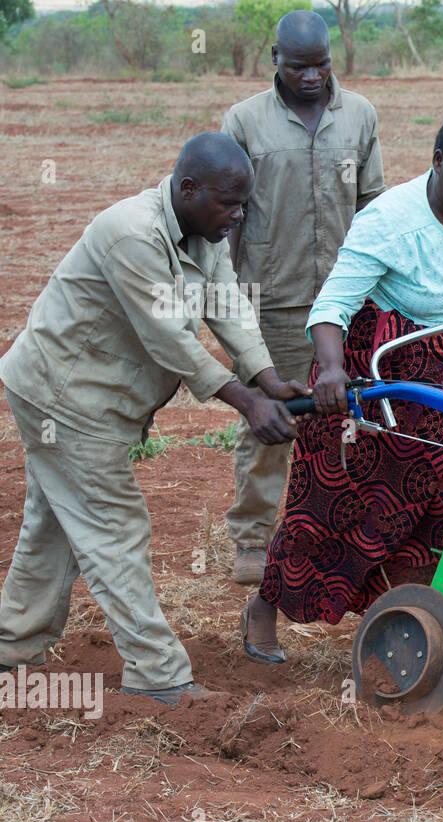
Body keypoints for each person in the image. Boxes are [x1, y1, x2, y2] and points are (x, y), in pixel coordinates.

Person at [0, 132, 308, 705]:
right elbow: (169, 339)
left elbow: (226, 300)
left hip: (91, 397)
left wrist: (267, 377)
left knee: (54, 526)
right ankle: (158, 674)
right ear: (187, 188)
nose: (238, 215)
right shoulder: (132, 235)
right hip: (64, 399)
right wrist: (246, 402)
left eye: (244, 203)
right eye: (229, 203)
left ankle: (13, 650)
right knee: (115, 529)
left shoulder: (202, 227)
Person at [242, 111, 443, 657]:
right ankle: (263, 610)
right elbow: (330, 307)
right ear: (438, 162)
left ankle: (439, 635)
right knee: (338, 504)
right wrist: (334, 369)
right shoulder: (388, 220)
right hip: (379, 379)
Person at [222, 9, 385, 597]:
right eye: (299, 66)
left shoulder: (360, 114)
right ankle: (252, 537)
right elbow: (229, 215)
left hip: (346, 298)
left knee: (354, 415)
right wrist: (227, 293)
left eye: (321, 64)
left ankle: (341, 537)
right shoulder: (244, 121)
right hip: (274, 299)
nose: (312, 76)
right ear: (275, 59)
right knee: (271, 418)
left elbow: (373, 206)